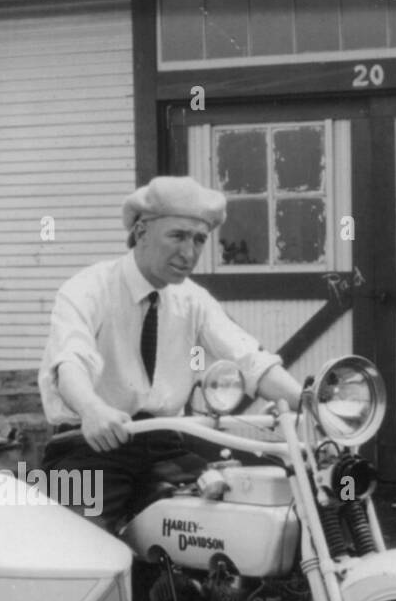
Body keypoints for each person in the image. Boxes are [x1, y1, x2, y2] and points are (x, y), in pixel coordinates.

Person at [38, 176, 303, 531]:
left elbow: (249, 360)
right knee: (88, 549)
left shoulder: (193, 300)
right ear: (142, 231)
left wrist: (311, 402)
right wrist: (92, 408)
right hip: (88, 446)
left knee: (244, 518)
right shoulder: (88, 288)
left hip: (163, 445)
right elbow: (69, 362)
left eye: (199, 240)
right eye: (177, 236)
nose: (189, 253)